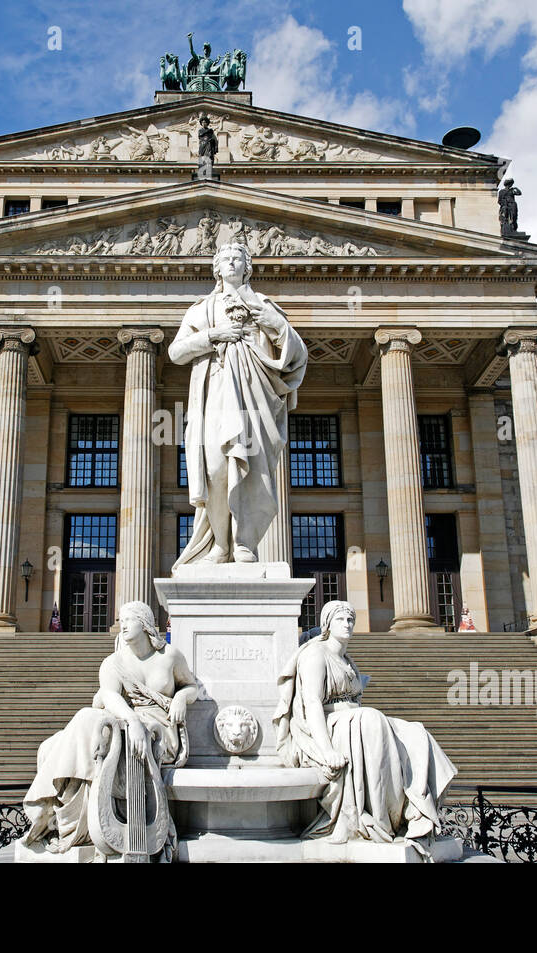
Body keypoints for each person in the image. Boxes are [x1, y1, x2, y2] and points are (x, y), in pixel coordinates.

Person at [273, 600, 457, 847]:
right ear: (327, 623)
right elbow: (312, 704)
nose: (347, 624)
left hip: (355, 722)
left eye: (350, 620)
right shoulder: (315, 654)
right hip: (329, 726)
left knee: (414, 732)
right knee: (371, 719)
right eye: (340, 619)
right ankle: (382, 817)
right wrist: (326, 750)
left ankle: (413, 811)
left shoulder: (347, 660)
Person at [22, 601, 199, 854]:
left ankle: (52, 809)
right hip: (129, 722)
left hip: (160, 729)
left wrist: (181, 697)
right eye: (121, 619)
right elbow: (110, 697)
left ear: (145, 622)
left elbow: (190, 686)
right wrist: (133, 721)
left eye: (128, 619)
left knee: (88, 724)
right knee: (63, 737)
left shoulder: (169, 656)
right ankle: (61, 814)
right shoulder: (113, 662)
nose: (122, 625)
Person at [169, 243, 307, 567]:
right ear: (216, 268)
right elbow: (176, 352)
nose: (232, 263)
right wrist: (214, 335)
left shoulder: (264, 305)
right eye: (226, 259)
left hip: (254, 399)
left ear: (248, 268)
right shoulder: (201, 310)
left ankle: (245, 542)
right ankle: (220, 544)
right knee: (215, 468)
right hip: (215, 395)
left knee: (253, 471)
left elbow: (296, 354)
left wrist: (271, 321)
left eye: (238, 259)